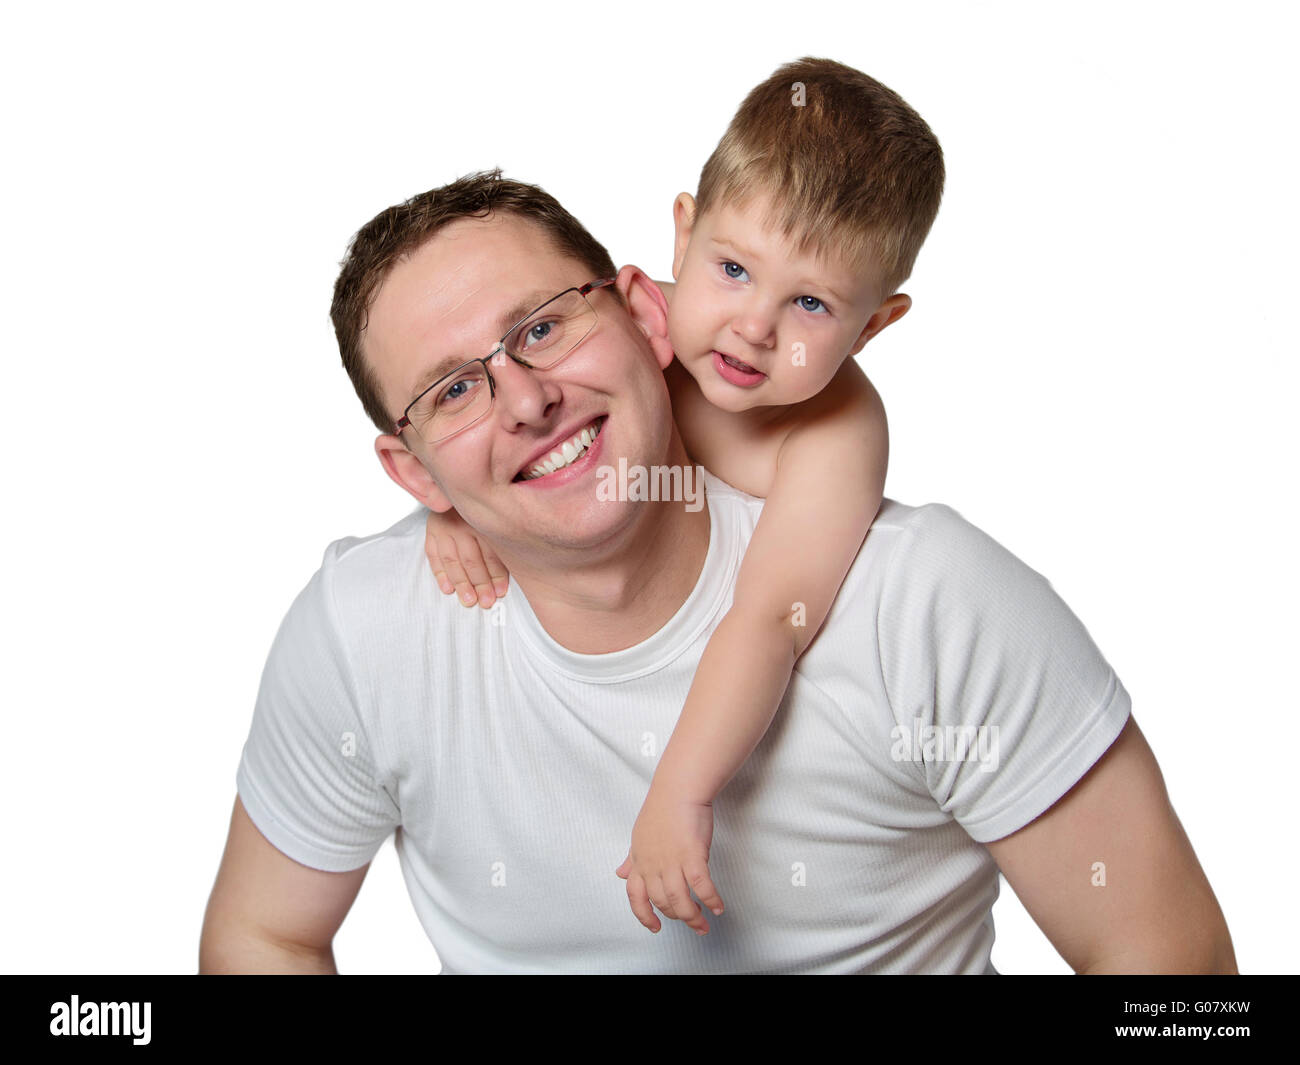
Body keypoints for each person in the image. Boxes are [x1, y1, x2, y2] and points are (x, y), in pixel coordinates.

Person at [198, 168, 1236, 975]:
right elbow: (262, 935)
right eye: (455, 391)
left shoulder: (923, 599)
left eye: (543, 329)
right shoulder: (363, 632)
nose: (525, 403)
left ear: (648, 315)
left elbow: (1168, 965)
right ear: (410, 469)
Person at [421, 58, 930, 935]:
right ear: (684, 234)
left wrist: (681, 794)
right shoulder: (625, 322)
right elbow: (497, 409)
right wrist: (450, 512)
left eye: (810, 302)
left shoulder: (834, 433)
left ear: (874, 324)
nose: (754, 326)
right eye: (732, 269)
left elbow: (773, 615)